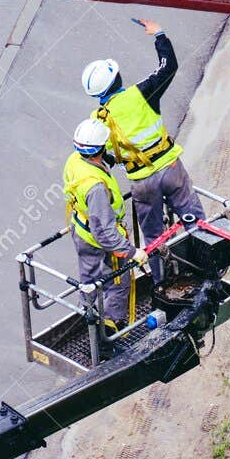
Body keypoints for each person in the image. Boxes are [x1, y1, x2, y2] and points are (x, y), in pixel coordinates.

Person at [80, 17, 206, 282]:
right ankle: (207, 268)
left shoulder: (99, 117)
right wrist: (159, 34)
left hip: (141, 182)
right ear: (117, 78)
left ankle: (161, 284)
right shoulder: (141, 94)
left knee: (153, 237)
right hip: (170, 168)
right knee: (194, 219)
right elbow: (168, 66)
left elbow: (104, 155)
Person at [62, 118, 147, 330]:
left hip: (81, 230)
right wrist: (131, 252)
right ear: (99, 148)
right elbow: (104, 232)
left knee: (89, 280)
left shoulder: (75, 160)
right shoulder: (96, 188)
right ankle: (111, 330)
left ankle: (87, 317)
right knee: (119, 284)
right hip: (99, 237)